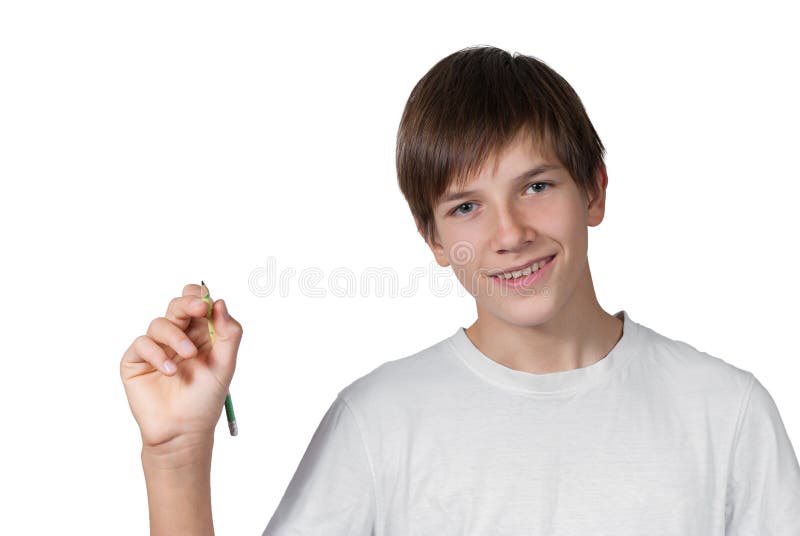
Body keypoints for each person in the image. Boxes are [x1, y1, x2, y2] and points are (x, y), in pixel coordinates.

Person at [120, 45, 800, 535]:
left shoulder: (726, 413)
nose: (509, 233)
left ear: (594, 189)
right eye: (466, 207)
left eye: (536, 186)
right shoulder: (380, 422)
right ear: (435, 242)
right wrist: (177, 458)